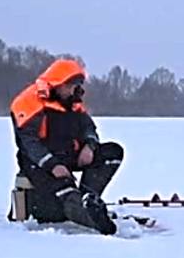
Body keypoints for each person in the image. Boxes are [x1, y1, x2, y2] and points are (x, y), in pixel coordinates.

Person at [10, 59, 124, 235]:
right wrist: (52, 165)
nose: (77, 90)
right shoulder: (29, 102)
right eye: (73, 85)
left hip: (68, 154)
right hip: (39, 163)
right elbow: (28, 142)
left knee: (112, 153)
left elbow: (89, 128)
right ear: (60, 84)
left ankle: (89, 198)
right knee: (66, 191)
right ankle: (91, 217)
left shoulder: (72, 101)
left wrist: (90, 146)